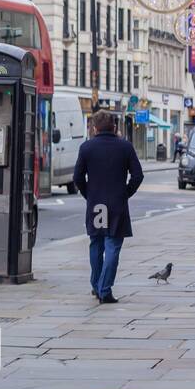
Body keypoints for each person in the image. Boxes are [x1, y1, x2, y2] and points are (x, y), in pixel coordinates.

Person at [73, 110, 144, 304]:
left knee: (96, 243)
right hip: (117, 204)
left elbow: (77, 177)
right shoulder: (125, 147)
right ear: (114, 127)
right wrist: (125, 193)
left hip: (96, 205)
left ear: (94, 128)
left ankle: (97, 286)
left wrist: (89, 195)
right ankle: (105, 289)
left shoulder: (86, 148)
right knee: (112, 245)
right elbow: (138, 176)